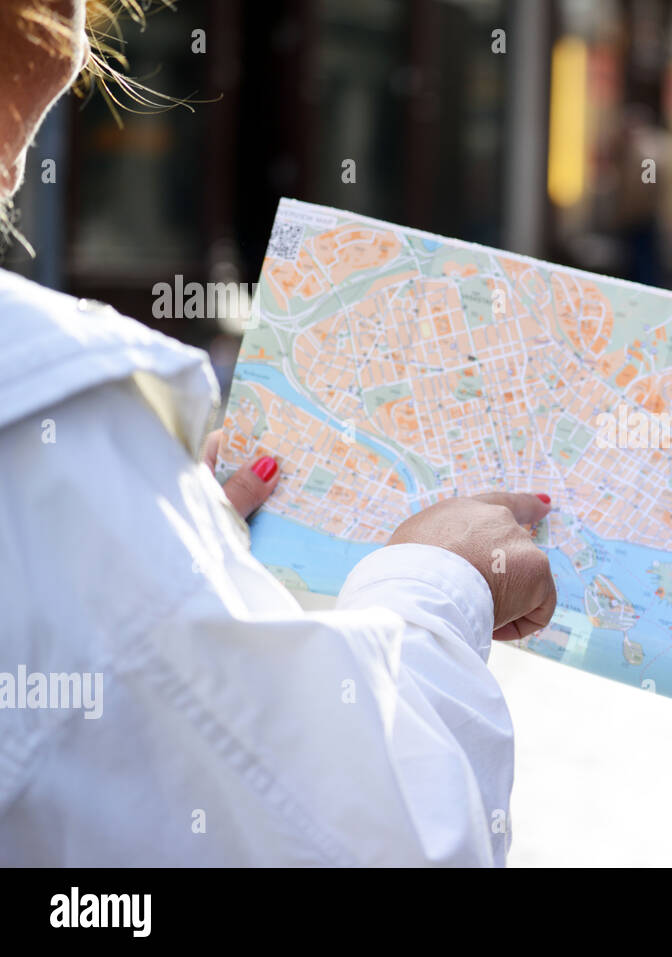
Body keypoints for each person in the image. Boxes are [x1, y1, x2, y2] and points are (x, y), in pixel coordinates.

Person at [0, 0, 555, 865]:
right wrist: (438, 588)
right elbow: (380, 840)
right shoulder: (47, 426)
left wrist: (161, 579)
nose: (77, 45)